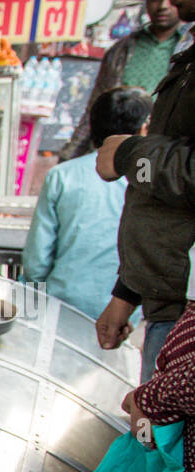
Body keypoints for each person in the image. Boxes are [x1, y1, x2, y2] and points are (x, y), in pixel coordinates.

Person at [96, 0, 195, 380]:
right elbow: (168, 201)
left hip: (184, 317)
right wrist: (128, 292)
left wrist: (129, 156)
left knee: (158, 438)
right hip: (168, 304)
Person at [24, 87, 152, 320]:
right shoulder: (148, 178)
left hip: (61, 304)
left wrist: (35, 295)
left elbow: (36, 262)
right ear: (143, 129)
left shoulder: (62, 176)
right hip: (126, 311)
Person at [60, 0, 183, 161]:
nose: (162, 6)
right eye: (156, 0)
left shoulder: (186, 51)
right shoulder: (121, 50)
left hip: (159, 154)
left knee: (142, 179)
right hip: (115, 150)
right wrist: (70, 156)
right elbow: (95, 107)